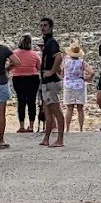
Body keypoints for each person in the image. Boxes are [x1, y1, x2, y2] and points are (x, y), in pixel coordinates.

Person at [38, 18, 65, 147]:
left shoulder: (52, 43)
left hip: (51, 82)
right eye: (41, 26)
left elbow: (59, 57)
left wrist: (52, 71)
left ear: (51, 27)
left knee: (56, 110)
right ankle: (47, 138)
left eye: (45, 26)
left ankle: (60, 139)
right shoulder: (47, 42)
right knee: (47, 110)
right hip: (46, 82)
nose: (43, 28)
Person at [9, 34, 41, 133]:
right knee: (32, 101)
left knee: (21, 101)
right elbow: (39, 66)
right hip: (32, 77)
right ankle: (31, 126)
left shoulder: (15, 53)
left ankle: (21, 125)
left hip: (18, 78)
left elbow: (11, 65)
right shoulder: (34, 54)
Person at [62, 41, 93, 132]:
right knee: (80, 108)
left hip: (68, 85)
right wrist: (86, 79)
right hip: (80, 85)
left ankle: (67, 128)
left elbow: (60, 71)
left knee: (69, 108)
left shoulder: (66, 61)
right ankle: (80, 128)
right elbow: (92, 72)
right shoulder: (82, 62)